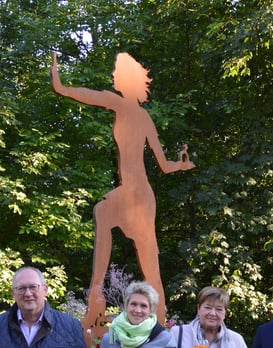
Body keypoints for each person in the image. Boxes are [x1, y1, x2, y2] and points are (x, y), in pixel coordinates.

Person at [51, 51, 194, 328]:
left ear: (126, 80)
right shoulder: (142, 116)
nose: (114, 77)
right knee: (104, 215)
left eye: (117, 73)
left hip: (138, 196)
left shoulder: (121, 104)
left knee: (149, 262)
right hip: (136, 192)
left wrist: (60, 84)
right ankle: (97, 301)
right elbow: (165, 166)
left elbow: (82, 94)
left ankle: (153, 318)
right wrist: (182, 165)